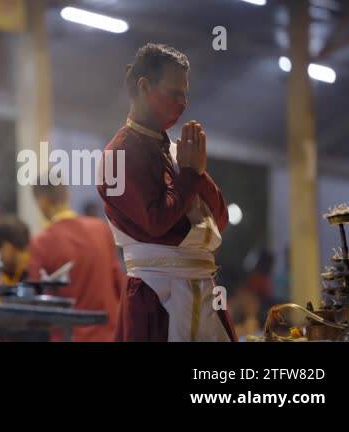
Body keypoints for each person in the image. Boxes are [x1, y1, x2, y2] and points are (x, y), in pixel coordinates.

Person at [97, 43, 236, 342]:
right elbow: (156, 221)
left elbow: (220, 220)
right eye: (175, 93)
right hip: (155, 295)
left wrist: (196, 174)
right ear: (145, 86)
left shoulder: (176, 151)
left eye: (185, 94)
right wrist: (189, 175)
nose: (184, 103)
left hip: (204, 287)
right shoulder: (118, 155)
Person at [29, 183, 124, 342]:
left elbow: (37, 301)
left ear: (42, 201)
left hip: (68, 336)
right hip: (109, 334)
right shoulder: (100, 229)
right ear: (67, 195)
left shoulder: (41, 242)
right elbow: (119, 284)